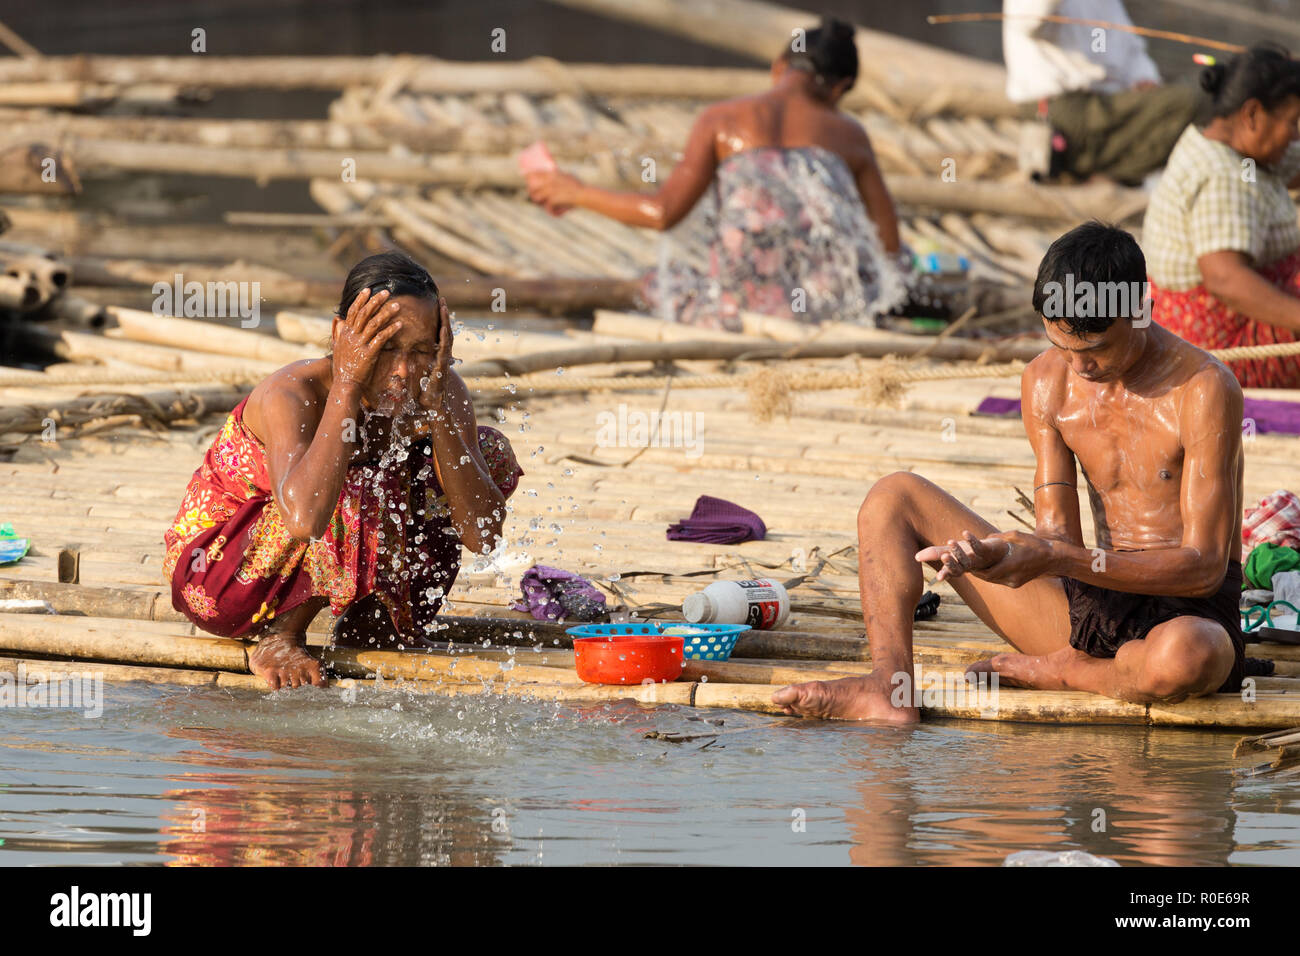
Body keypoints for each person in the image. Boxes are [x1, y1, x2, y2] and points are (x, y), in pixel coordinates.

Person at [773, 222, 1254, 721]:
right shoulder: (1047, 381)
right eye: (1063, 347)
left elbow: (1203, 568)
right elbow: (1053, 538)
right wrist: (996, 554)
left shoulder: (1204, 389)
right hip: (1089, 607)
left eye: (1094, 350)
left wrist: (1060, 559)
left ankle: (1070, 672)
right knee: (893, 496)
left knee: (1188, 656)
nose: (1079, 367)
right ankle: (888, 687)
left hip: (1184, 616)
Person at [162, 252, 523, 690]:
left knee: (486, 452)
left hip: (308, 557)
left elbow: (482, 536)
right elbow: (304, 518)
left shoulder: (437, 388)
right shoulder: (292, 393)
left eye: (421, 351)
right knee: (352, 471)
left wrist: (439, 410)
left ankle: (374, 614)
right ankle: (282, 635)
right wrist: (349, 386)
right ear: (341, 335)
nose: (403, 371)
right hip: (223, 576)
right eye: (385, 348)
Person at [523, 17, 909, 331]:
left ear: (779, 66)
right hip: (829, 316)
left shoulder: (721, 120)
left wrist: (575, 192)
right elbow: (890, 248)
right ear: (840, 87)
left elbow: (662, 213)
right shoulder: (849, 134)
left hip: (742, 315)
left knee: (662, 281)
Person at [1143, 44, 1300, 389]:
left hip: (1193, 333)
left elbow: (1295, 163)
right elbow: (1225, 280)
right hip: (1221, 353)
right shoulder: (1223, 176)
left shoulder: (1226, 146)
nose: (1296, 134)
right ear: (1253, 114)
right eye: (1292, 122)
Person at [1004, 0, 1200, 184]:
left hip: (1103, 102)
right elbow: (1029, 21)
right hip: (1058, 109)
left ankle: (1108, 174)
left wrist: (1144, 78)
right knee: (1187, 100)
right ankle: (1108, 174)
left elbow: (1123, 49)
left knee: (1177, 109)